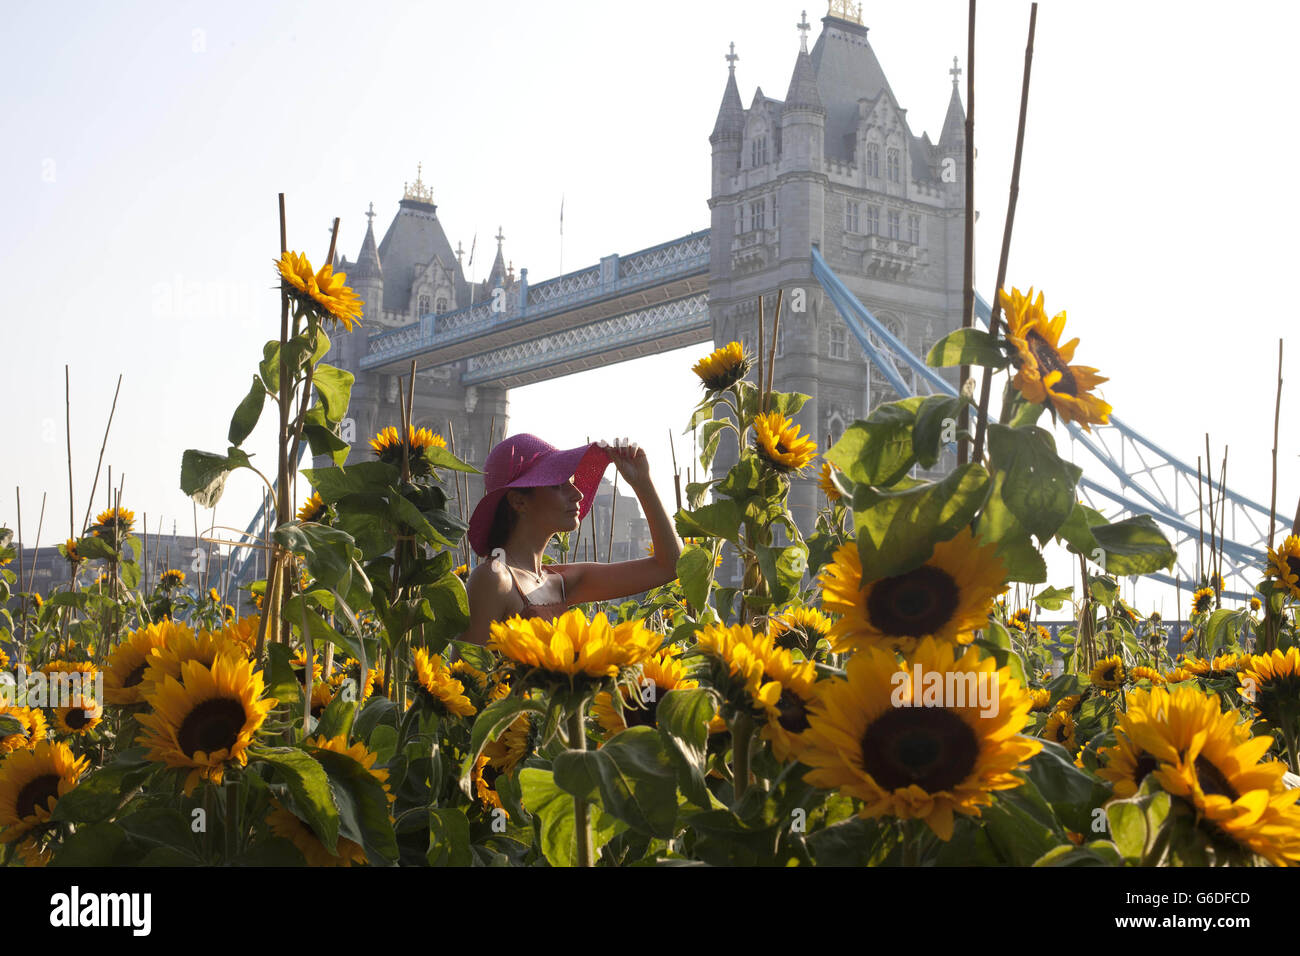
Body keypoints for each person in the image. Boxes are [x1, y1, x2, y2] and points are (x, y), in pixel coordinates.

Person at [461, 433, 682, 646]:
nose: (578, 494)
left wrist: (643, 483)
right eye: (557, 484)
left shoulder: (559, 581)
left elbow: (671, 566)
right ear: (519, 501)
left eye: (573, 481)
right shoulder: (494, 579)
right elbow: (465, 674)